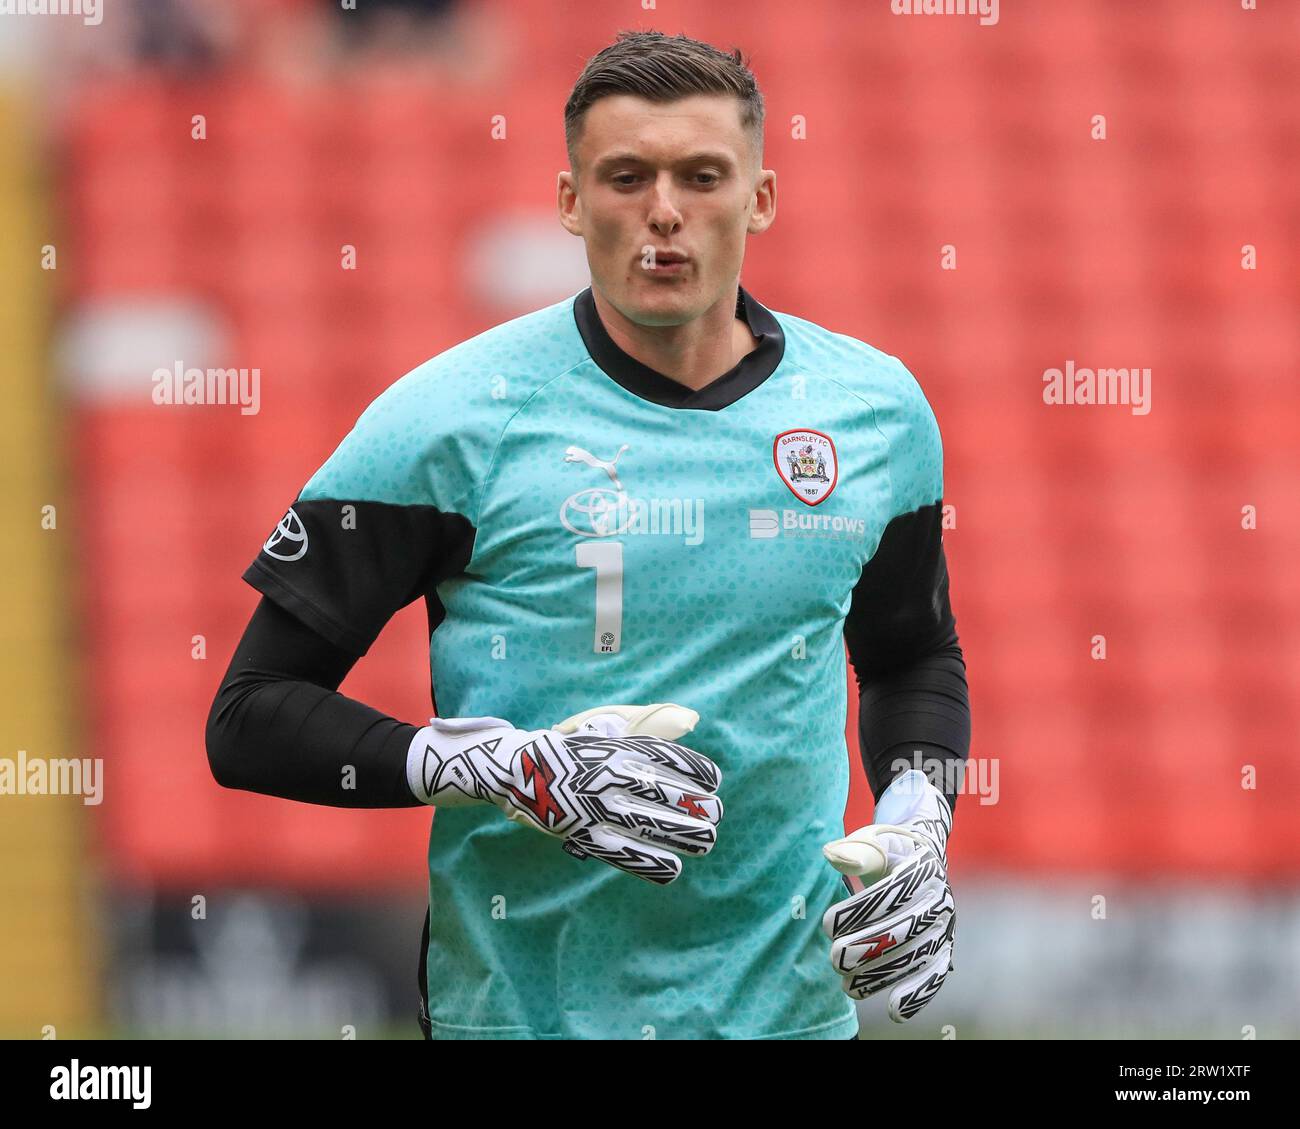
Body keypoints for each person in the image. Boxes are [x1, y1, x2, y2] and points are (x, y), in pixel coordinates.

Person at [207, 28, 970, 1041]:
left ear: (761, 198)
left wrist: (920, 811)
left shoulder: (873, 412)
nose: (664, 211)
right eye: (625, 177)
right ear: (570, 202)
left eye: (703, 176)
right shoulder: (447, 420)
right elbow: (249, 718)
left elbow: (911, 652)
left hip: (788, 1017)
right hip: (518, 1014)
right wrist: (490, 768)